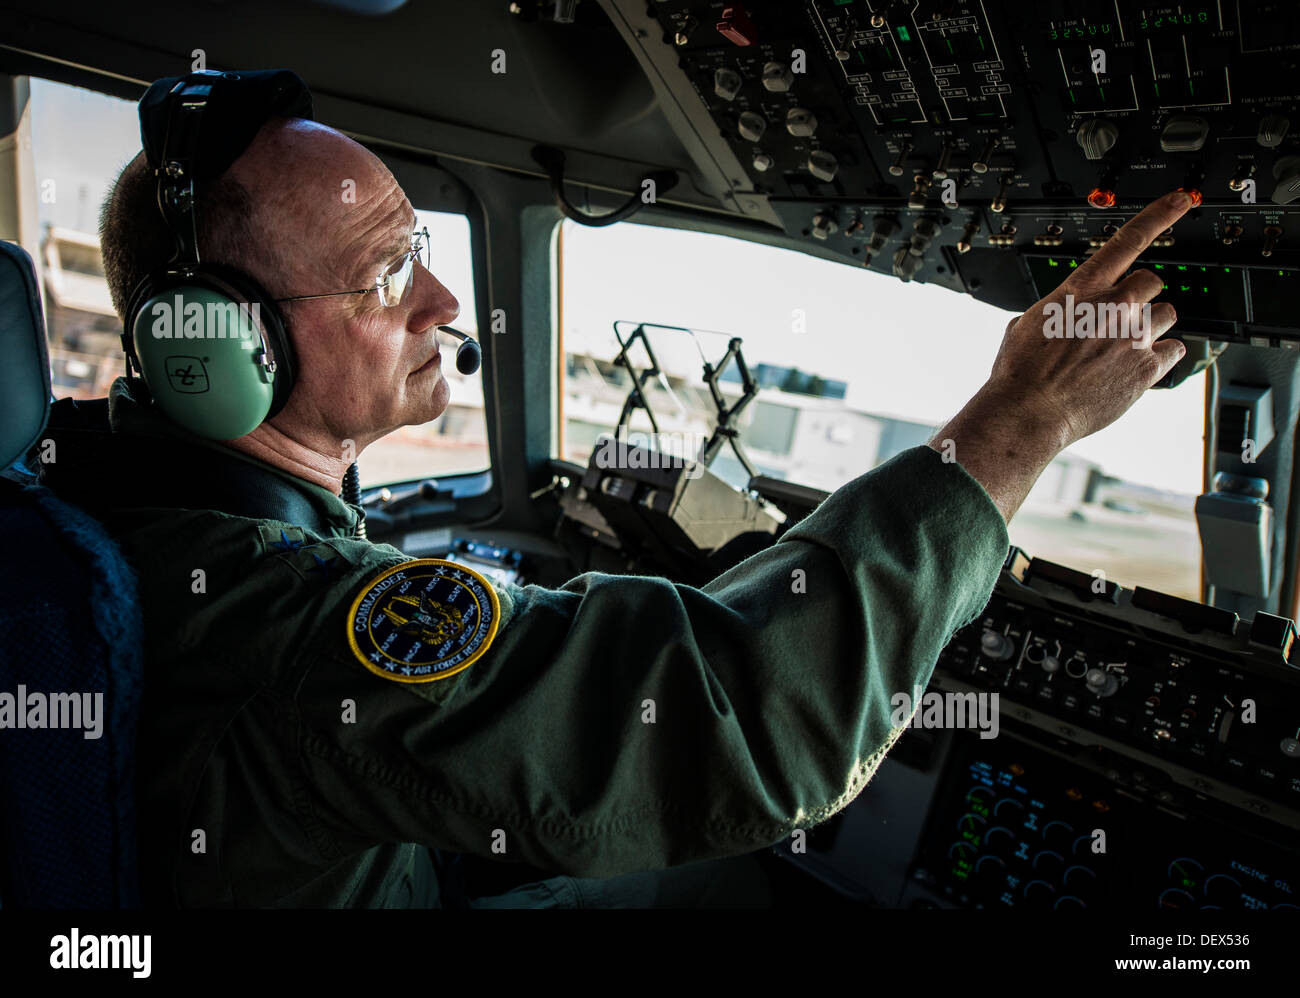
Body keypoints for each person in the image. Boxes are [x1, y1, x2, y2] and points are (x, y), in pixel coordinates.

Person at [37, 75, 1193, 907]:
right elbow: (742, 718)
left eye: (422, 246)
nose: (440, 297)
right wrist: (1023, 418)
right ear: (213, 347)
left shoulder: (83, 507)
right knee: (728, 871)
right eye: (383, 272)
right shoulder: (287, 621)